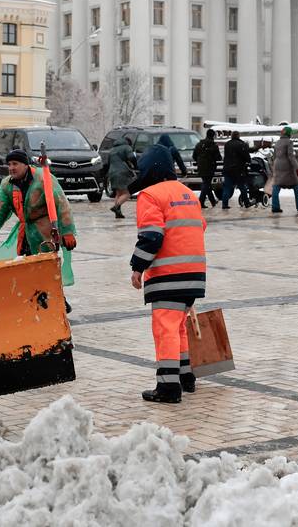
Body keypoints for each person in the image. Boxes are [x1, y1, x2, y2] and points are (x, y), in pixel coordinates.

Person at [129, 140, 207, 404]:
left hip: (167, 275)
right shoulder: (187, 194)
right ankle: (186, 378)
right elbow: (200, 227)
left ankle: (168, 387)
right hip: (194, 274)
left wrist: (137, 267)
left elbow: (151, 237)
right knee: (179, 328)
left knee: (165, 330)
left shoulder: (150, 195)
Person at [0, 149, 78, 306]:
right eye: (9, 164)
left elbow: (62, 205)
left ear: (25, 165)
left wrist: (67, 232)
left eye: (15, 164)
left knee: (45, 268)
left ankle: (56, 302)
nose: (12, 168)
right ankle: (39, 302)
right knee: (26, 267)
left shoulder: (43, 179)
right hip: (25, 232)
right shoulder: (8, 184)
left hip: (44, 232)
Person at [270, 126, 298, 215]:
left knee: (276, 186)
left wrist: (274, 165)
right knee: (296, 185)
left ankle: (275, 207)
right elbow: (290, 156)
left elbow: (274, 156)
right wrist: (297, 168)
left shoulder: (277, 142)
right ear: (289, 133)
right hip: (287, 166)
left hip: (278, 165)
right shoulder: (289, 142)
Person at [107, 135, 138, 218]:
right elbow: (131, 157)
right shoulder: (126, 147)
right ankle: (116, 207)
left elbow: (108, 162)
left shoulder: (112, 150)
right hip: (122, 172)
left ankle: (118, 213)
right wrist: (136, 166)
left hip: (112, 172)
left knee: (118, 193)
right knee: (127, 193)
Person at [220, 131, 251, 210]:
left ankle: (224, 204)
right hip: (238, 170)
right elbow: (247, 157)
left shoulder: (227, 144)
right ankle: (246, 203)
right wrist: (248, 160)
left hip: (227, 169)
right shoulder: (241, 144)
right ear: (238, 136)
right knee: (242, 187)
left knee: (227, 187)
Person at [192, 129, 222, 209]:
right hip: (210, 167)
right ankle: (201, 201)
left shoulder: (199, 144)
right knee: (206, 184)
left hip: (201, 167)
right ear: (213, 136)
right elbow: (218, 157)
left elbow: (194, 156)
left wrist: (200, 161)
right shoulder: (213, 145)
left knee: (207, 183)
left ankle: (212, 201)